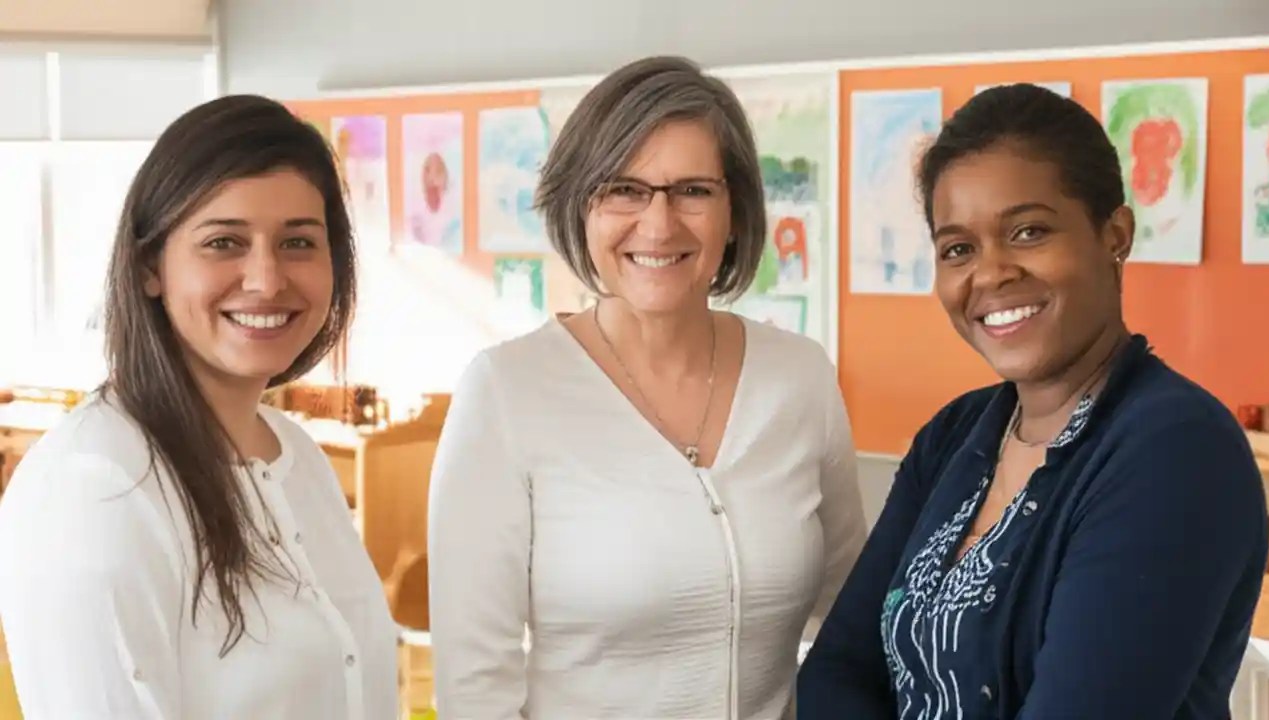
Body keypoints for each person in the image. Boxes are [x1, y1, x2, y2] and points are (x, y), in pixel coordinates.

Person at [797, 83, 1269, 719]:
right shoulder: (954, 436)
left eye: (1028, 231)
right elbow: (838, 669)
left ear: (1115, 235)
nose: (989, 274)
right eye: (958, 248)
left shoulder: (1175, 452)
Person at [428, 55, 866, 719]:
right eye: (623, 190)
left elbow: (849, 621)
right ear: (581, 207)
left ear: (736, 212)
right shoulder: (507, 392)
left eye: (692, 190)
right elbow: (474, 688)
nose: (659, 225)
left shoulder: (800, 377)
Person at [0, 95, 398, 718]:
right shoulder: (96, 486)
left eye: (298, 242)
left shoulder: (297, 456)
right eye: (223, 242)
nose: (266, 279)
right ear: (150, 266)